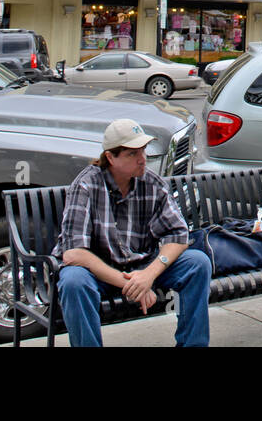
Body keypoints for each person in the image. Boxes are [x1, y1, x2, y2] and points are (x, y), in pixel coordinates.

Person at [52, 118, 211, 347]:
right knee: (73, 282)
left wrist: (148, 275)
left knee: (197, 263)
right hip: (99, 272)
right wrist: (133, 285)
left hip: (142, 266)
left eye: (143, 150)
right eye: (132, 154)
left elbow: (179, 236)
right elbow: (73, 254)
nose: (142, 159)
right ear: (110, 157)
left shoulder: (152, 183)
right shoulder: (86, 185)